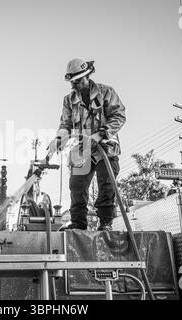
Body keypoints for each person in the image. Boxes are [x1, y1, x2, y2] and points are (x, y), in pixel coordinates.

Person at [48, 58, 126, 231]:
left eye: (76, 81)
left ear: (87, 76)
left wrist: (100, 135)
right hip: (82, 150)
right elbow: (66, 125)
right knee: (76, 186)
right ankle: (78, 224)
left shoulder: (106, 92)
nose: (73, 86)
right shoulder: (68, 100)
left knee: (106, 183)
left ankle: (105, 223)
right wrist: (58, 139)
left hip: (106, 147)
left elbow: (119, 116)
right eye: (71, 82)